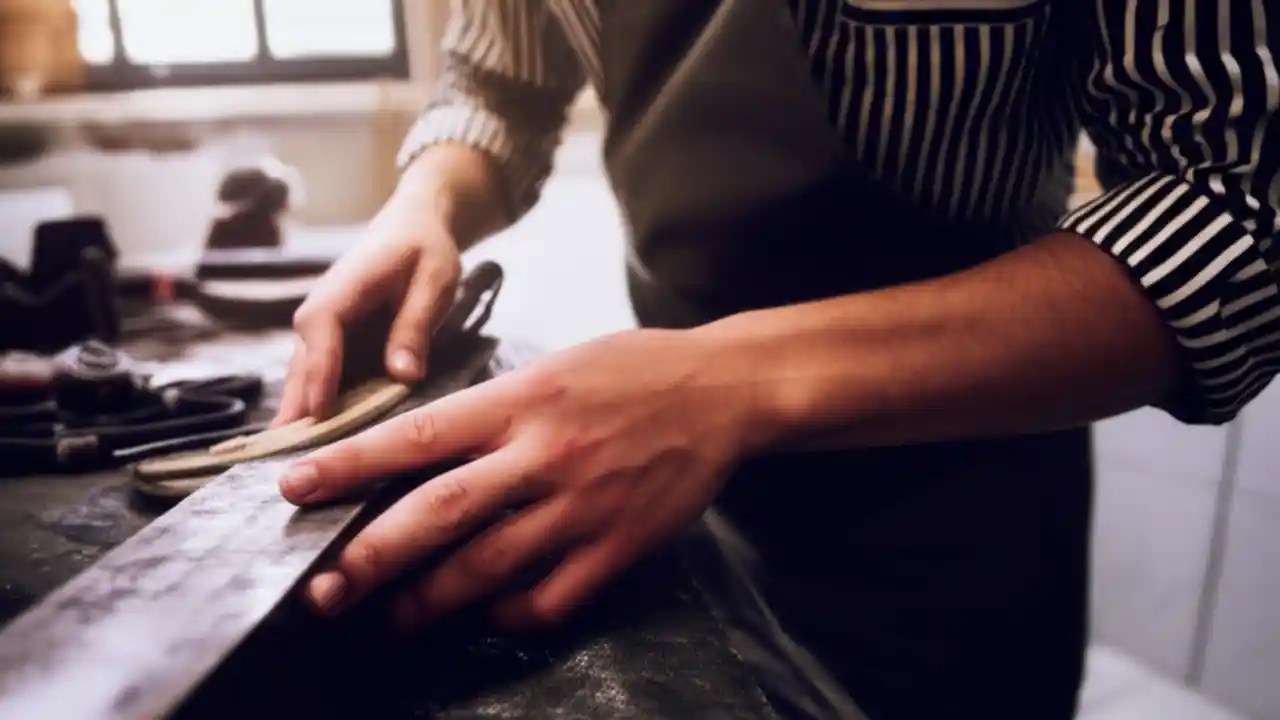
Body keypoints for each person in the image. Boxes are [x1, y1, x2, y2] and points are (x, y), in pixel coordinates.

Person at [272, 1, 1279, 718]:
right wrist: (423, 203)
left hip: (956, 508)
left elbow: (1237, 207)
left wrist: (722, 381)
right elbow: (498, 75)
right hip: (672, 501)